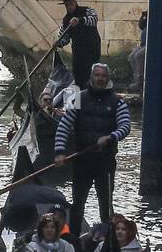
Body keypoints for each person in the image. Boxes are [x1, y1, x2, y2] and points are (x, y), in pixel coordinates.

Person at [54, 62, 132, 237]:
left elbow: (126, 126)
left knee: (106, 205)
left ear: (108, 79)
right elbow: (64, 126)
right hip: (82, 160)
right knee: (77, 205)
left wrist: (111, 137)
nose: (100, 79)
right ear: (92, 77)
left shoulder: (117, 102)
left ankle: (108, 242)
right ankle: (73, 242)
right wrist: (59, 152)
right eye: (97, 75)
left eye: (103, 76)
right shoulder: (79, 98)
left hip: (105, 162)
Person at [56, 0, 102, 89]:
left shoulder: (88, 10)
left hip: (92, 49)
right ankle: (80, 95)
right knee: (78, 74)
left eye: (71, 4)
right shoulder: (65, 20)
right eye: (67, 5)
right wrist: (58, 43)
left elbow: (94, 19)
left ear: (75, 3)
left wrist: (79, 20)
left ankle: (93, 91)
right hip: (78, 51)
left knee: (91, 71)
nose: (69, 7)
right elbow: (65, 38)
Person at [129, 11, 147, 92]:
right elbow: (141, 25)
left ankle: (140, 82)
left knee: (138, 56)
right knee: (131, 57)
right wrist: (144, 16)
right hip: (143, 44)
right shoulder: (147, 15)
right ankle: (136, 79)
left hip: (151, 44)